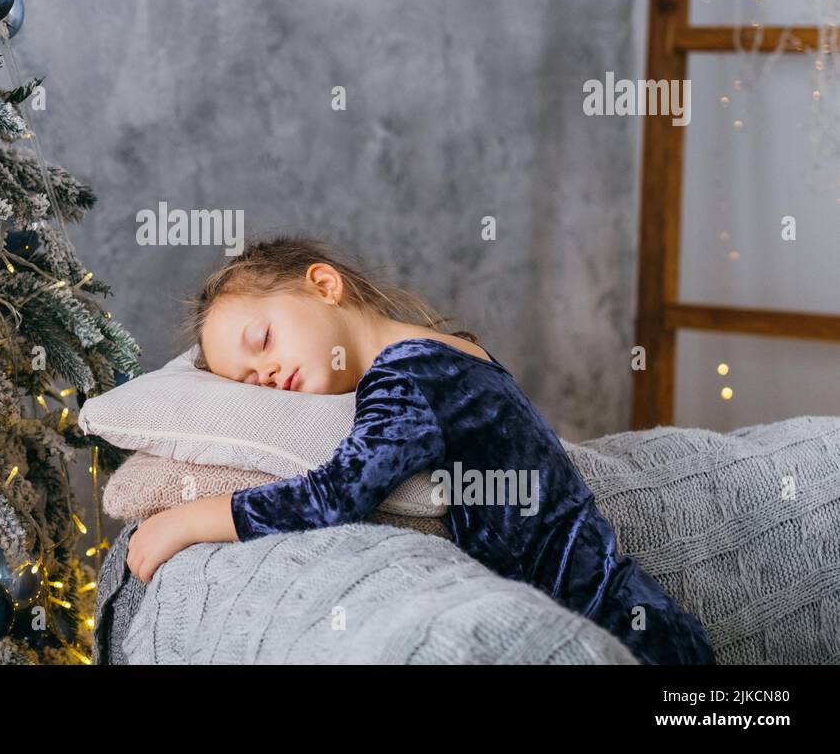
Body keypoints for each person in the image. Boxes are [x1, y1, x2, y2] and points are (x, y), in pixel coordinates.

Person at [125, 234, 715, 665]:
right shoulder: (441, 351)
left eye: (263, 339)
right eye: (249, 379)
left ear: (324, 285)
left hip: (616, 633)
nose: (268, 369)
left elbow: (335, 495)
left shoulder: (408, 374)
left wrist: (188, 520)